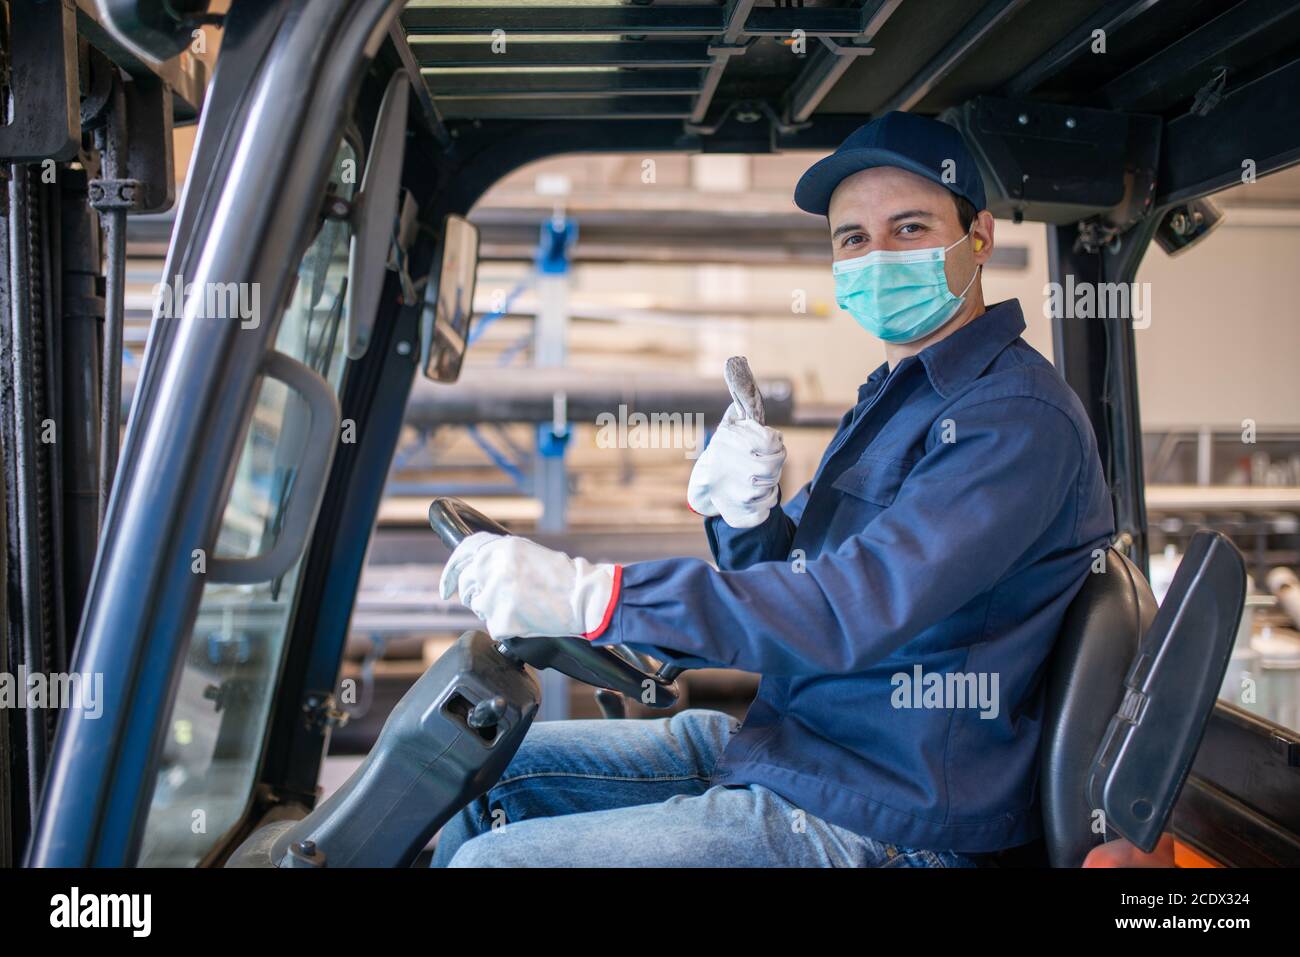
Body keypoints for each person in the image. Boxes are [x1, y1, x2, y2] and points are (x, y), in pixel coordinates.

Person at [432, 112, 1114, 868]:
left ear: (978, 237)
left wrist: (600, 597)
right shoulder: (895, 396)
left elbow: (848, 606)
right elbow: (793, 572)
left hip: (895, 813)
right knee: (475, 771)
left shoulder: (1012, 418)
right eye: (853, 239)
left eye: (909, 227)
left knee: (490, 864)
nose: (876, 254)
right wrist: (744, 516)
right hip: (805, 746)